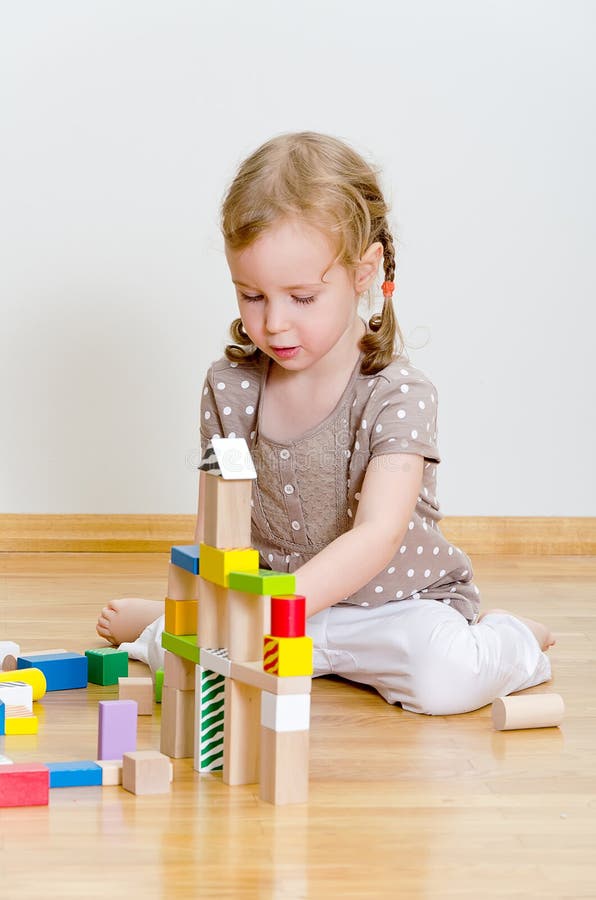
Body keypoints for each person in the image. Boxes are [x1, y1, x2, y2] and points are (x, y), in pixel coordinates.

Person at [96, 131, 554, 715]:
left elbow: (377, 535)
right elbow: (218, 520)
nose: (275, 324)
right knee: (190, 658)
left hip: (391, 610)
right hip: (272, 610)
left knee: (444, 681)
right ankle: (163, 624)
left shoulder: (397, 393)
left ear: (363, 272)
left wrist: (273, 611)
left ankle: (512, 639)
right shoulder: (230, 387)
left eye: (302, 297)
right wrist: (204, 611)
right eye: (252, 295)